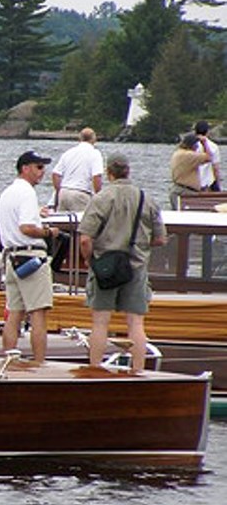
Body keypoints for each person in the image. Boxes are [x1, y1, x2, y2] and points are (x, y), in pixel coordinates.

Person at [77, 154, 167, 373]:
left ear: (109, 173)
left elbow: (85, 239)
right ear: (128, 171)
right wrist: (140, 245)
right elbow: (160, 239)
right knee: (136, 323)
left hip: (105, 267)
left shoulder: (101, 198)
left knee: (100, 322)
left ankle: (95, 370)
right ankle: (138, 371)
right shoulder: (147, 199)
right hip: (135, 267)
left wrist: (91, 261)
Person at [0, 150, 59, 363]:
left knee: (14, 313)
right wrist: (49, 232)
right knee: (38, 314)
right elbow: (26, 227)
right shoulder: (27, 193)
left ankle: (8, 360)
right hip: (30, 258)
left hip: (11, 259)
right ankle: (39, 364)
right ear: (25, 168)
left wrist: (37, 214)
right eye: (39, 167)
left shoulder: (8, 192)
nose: (43, 172)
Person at [51, 127, 103, 212]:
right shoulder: (95, 154)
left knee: (62, 223)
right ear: (94, 139)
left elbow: (55, 174)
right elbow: (97, 177)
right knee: (84, 223)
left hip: (64, 192)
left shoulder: (68, 153)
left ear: (80, 138)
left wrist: (58, 190)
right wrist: (99, 197)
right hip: (80, 193)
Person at [169, 133, 211, 209]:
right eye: (196, 144)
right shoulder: (188, 155)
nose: (197, 146)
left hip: (179, 189)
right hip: (185, 191)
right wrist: (204, 143)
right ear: (191, 145)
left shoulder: (178, 153)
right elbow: (208, 157)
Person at [194, 120, 221, 191]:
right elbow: (216, 168)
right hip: (208, 182)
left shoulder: (190, 145)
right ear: (207, 131)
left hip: (192, 183)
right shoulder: (214, 147)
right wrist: (218, 184)